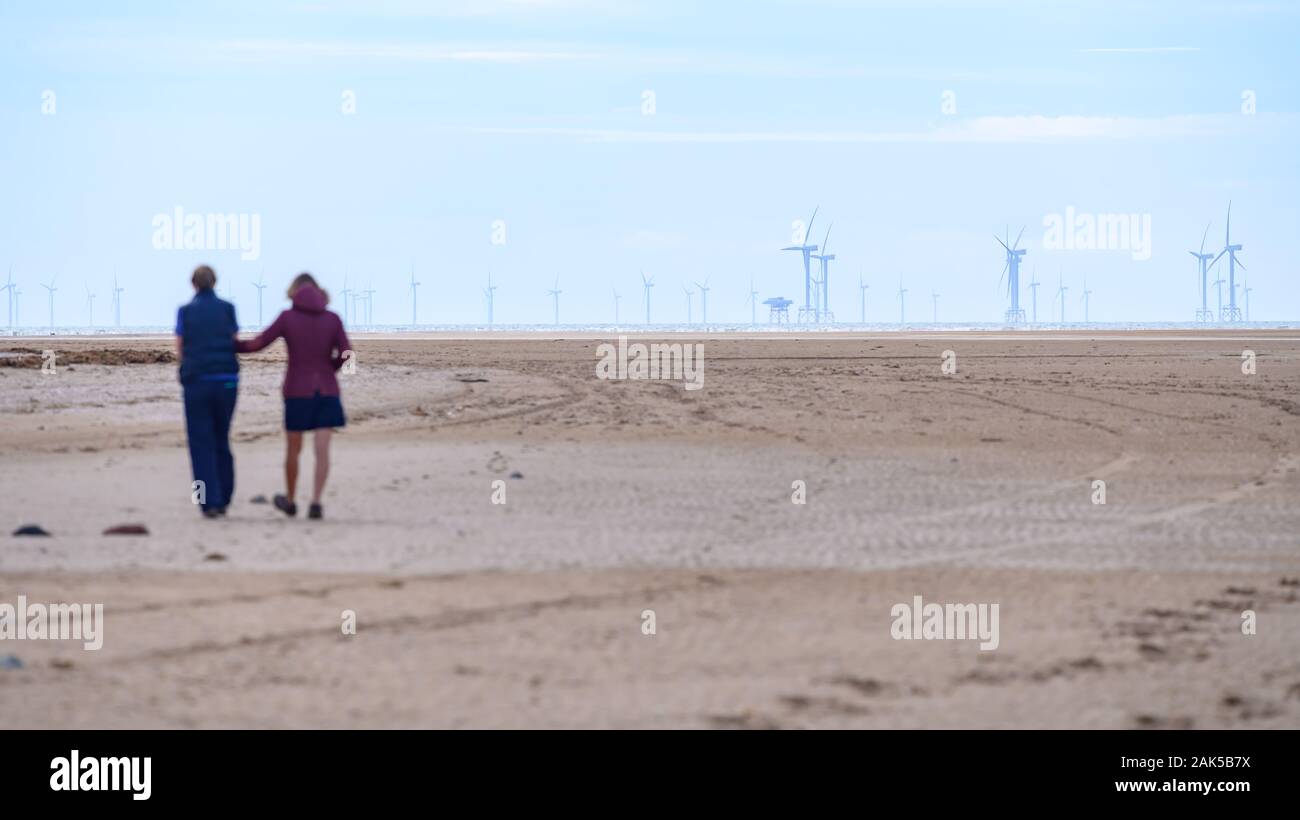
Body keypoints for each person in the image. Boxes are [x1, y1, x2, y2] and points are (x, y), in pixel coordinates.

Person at [236, 273, 350, 520]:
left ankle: (290, 501)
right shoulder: (333, 318)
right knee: (322, 451)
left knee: (293, 450)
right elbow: (347, 353)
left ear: (294, 291)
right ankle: (316, 502)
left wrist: (231, 345)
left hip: (297, 391)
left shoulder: (287, 317)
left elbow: (258, 344)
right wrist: (331, 368)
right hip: (327, 391)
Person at [176, 265, 240, 518]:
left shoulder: (185, 311)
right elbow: (234, 339)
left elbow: (180, 346)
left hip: (198, 382)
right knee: (221, 438)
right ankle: (224, 497)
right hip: (226, 381)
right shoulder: (227, 308)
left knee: (200, 443)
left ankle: (206, 501)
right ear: (215, 282)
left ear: (193, 284)